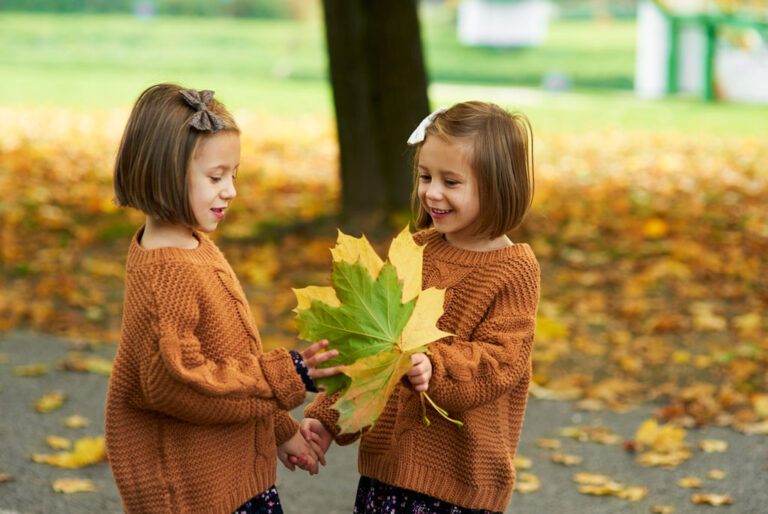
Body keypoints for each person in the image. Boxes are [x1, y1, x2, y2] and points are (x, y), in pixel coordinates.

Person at [105, 83, 341, 514]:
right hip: (194, 490)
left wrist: (279, 429)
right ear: (164, 173)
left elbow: (229, 358)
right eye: (216, 177)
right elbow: (184, 382)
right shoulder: (167, 270)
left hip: (230, 476)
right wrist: (289, 374)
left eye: (234, 175)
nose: (230, 190)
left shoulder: (191, 244)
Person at [301, 101, 540, 513]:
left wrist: (436, 365)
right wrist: (327, 416)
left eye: (451, 182)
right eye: (426, 176)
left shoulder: (513, 269)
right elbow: (370, 351)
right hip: (387, 470)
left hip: (457, 478)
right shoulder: (413, 252)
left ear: (498, 186)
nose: (432, 192)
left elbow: (503, 361)